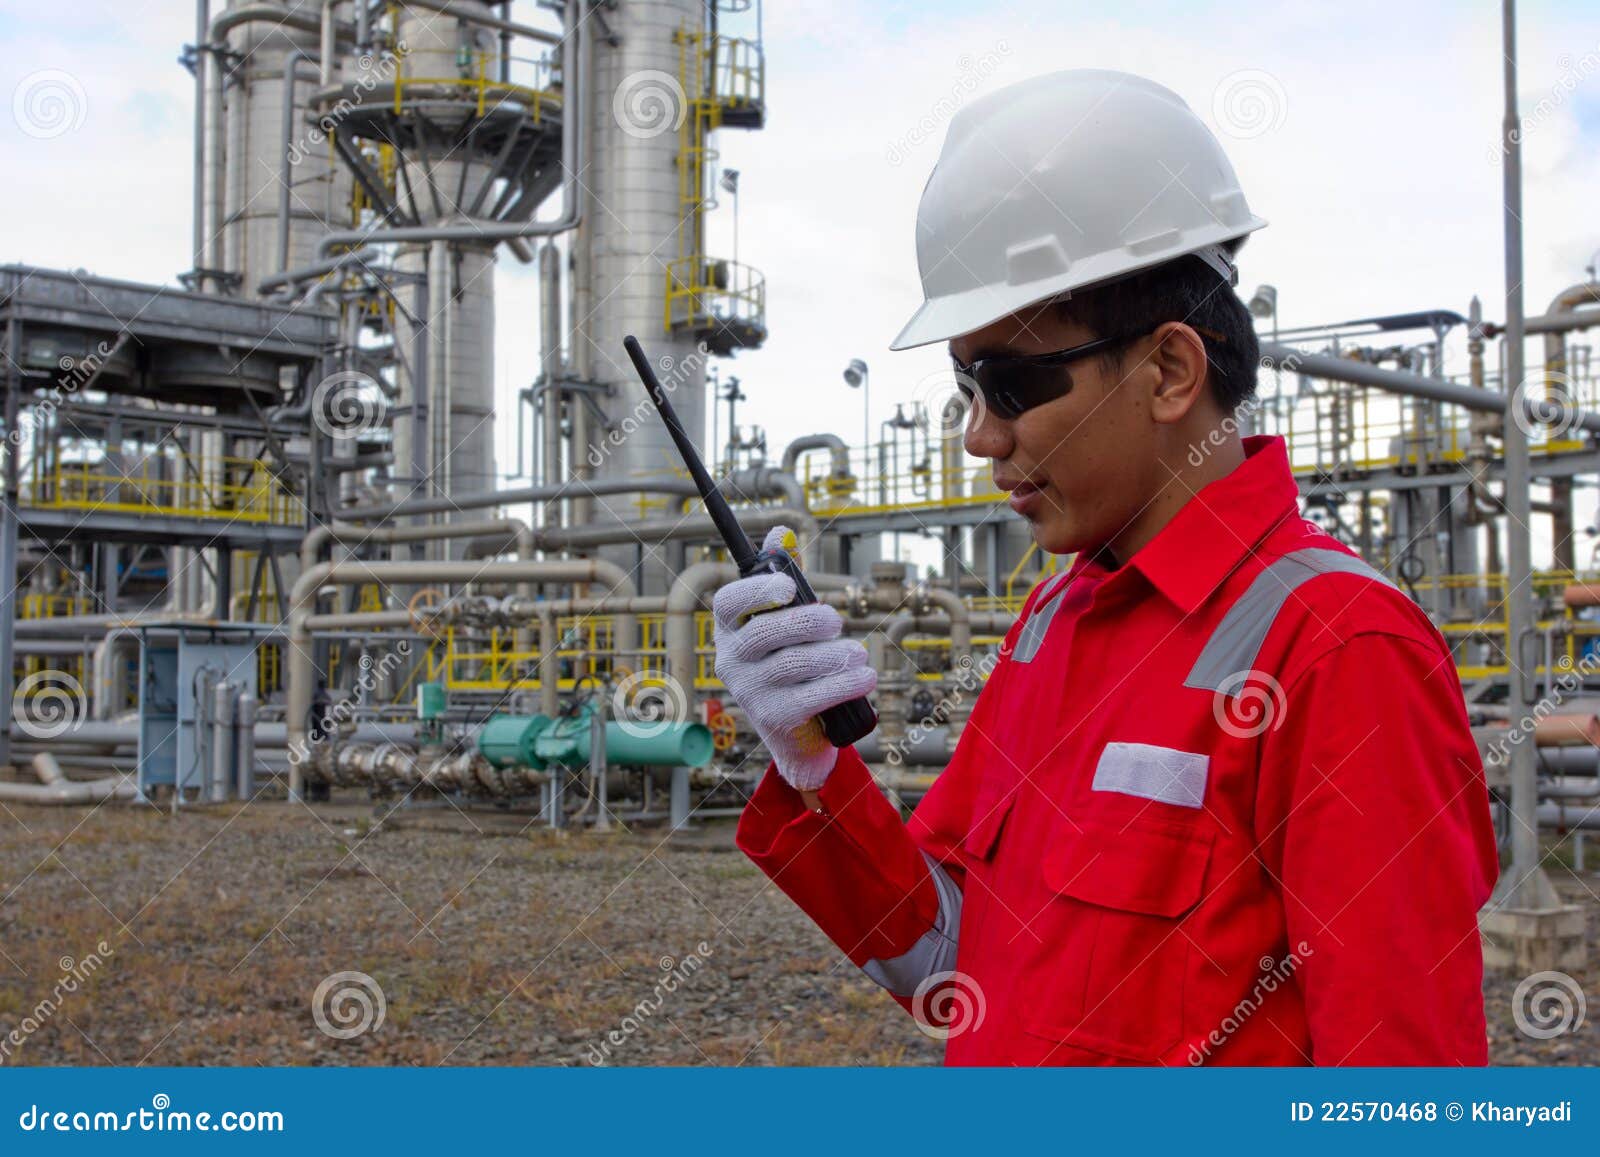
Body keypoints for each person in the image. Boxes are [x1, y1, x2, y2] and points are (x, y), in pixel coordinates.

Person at [716, 69, 1497, 1065]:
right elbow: (949, 955)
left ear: (1169, 370)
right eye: (964, 386)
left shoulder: (1338, 649)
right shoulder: (1054, 619)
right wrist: (816, 771)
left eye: (1010, 382)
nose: (978, 436)